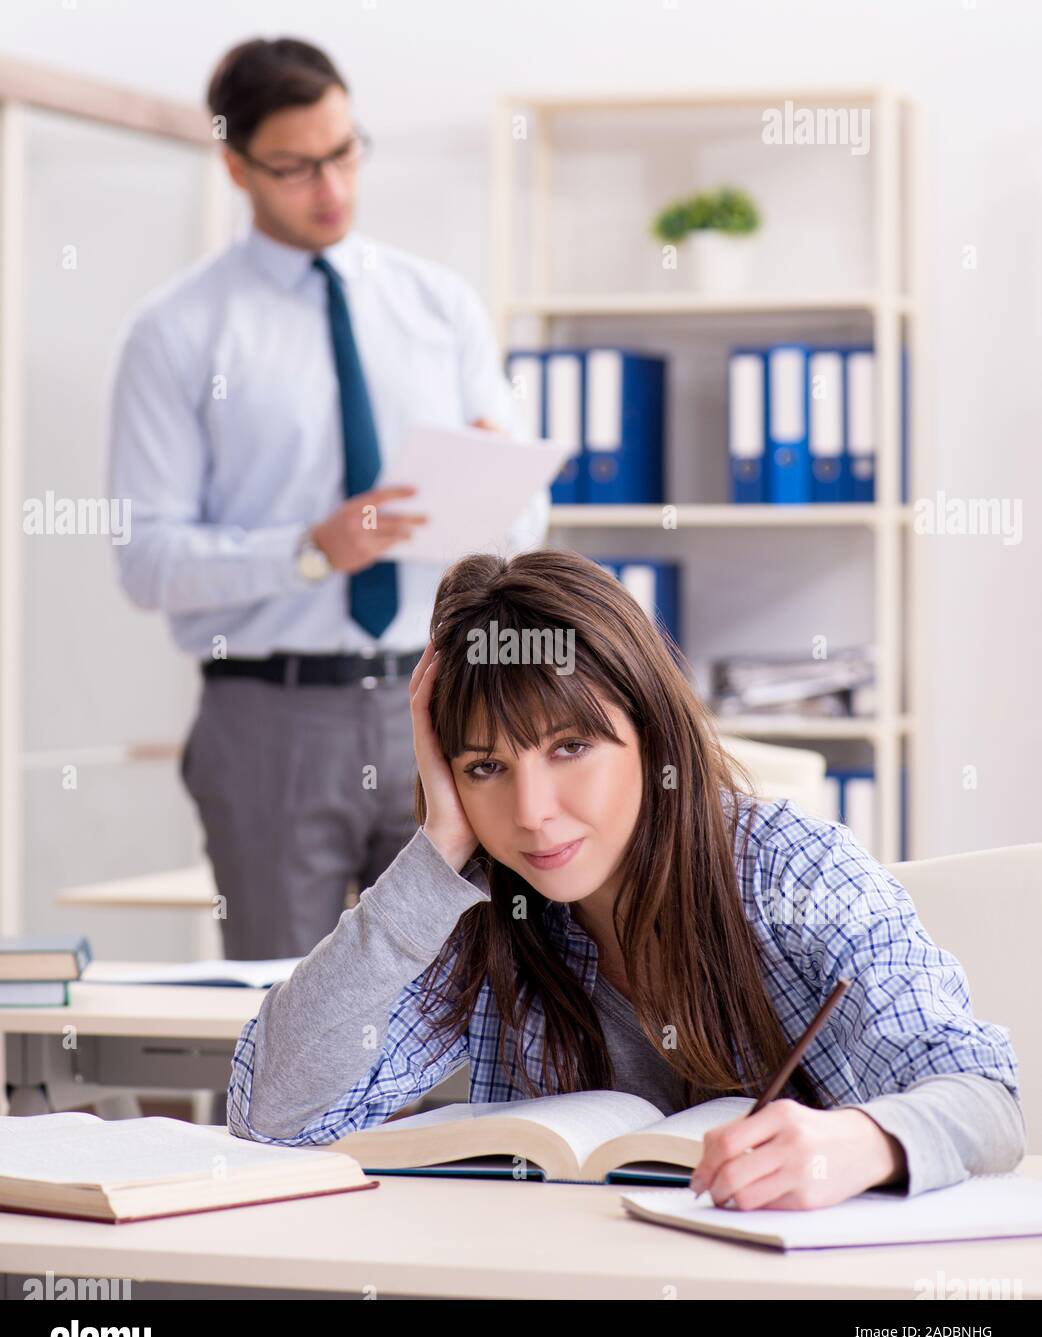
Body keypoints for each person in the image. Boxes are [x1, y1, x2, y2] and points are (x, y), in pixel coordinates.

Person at [226, 549, 1025, 1211]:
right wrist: (436, 851)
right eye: (485, 767)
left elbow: (985, 1101)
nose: (532, 812)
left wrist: (867, 1142)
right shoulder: (475, 906)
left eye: (571, 747)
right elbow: (273, 1113)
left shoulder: (792, 869)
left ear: (650, 731)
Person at [106, 37, 548, 960]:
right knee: (283, 1015)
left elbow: (523, 524)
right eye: (296, 166)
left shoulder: (439, 307)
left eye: (345, 152)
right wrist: (312, 550)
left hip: (442, 698)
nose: (332, 187)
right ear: (236, 166)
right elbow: (146, 560)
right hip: (272, 718)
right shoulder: (178, 331)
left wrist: (498, 486)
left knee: (467, 1005)